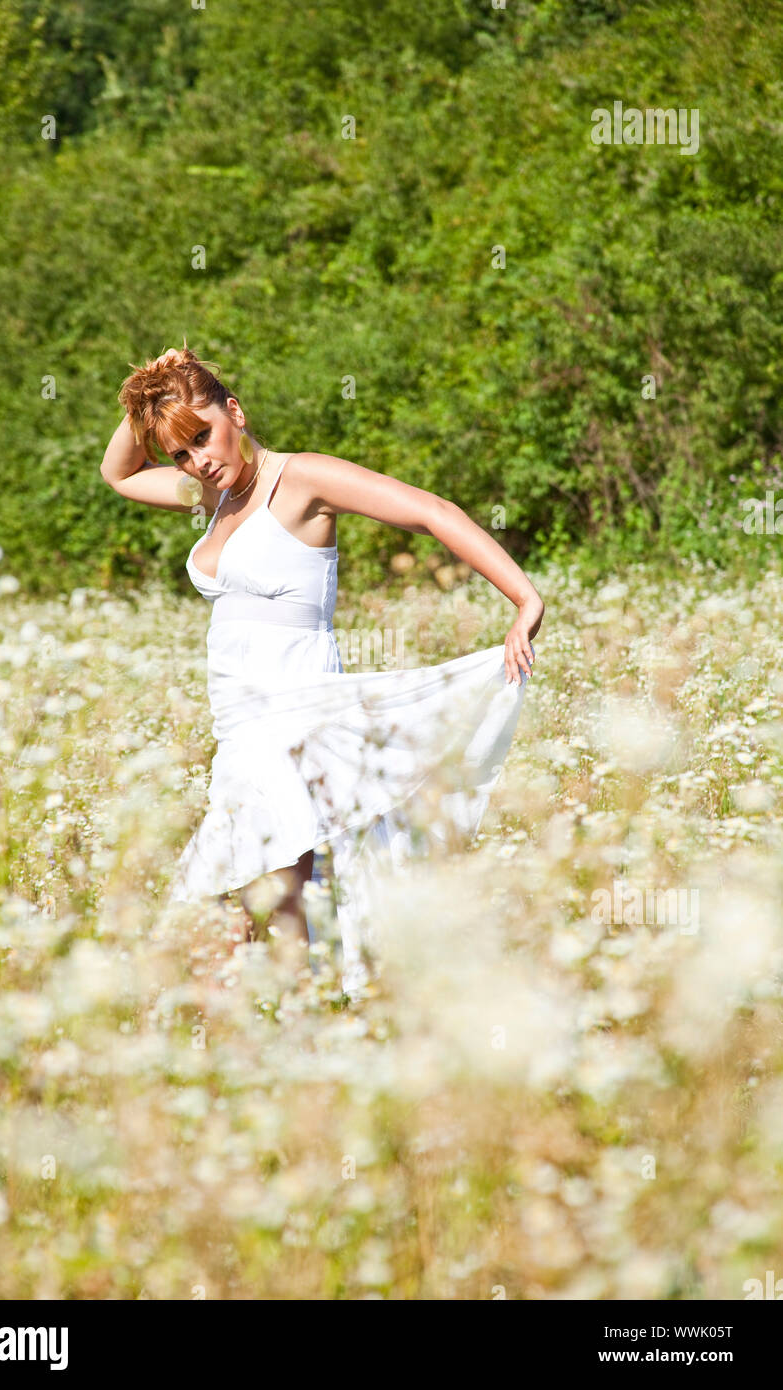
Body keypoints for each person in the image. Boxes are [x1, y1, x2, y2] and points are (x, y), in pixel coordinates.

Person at [101, 346, 544, 996]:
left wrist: (525, 598)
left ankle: (270, 1045)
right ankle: (300, 1043)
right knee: (270, 911)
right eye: (181, 455)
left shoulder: (301, 479)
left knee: (236, 900)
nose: (198, 460)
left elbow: (430, 511)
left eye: (203, 436)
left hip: (295, 720)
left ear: (236, 411)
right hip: (239, 730)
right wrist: (144, 390)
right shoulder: (211, 496)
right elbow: (117, 474)